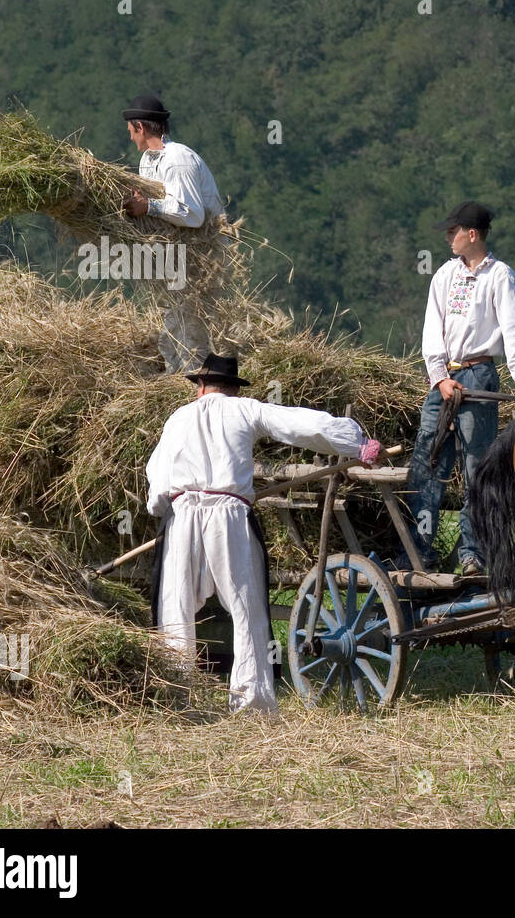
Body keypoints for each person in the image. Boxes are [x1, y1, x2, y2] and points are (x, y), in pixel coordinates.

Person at [146, 352, 382, 714]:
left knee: (175, 608)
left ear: (201, 387)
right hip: (227, 515)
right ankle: (251, 700)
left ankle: (176, 697)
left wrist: (161, 507)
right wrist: (354, 444)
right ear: (232, 387)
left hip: (182, 515)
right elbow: (298, 424)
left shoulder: (177, 418)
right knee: (247, 608)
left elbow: (157, 471)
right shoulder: (245, 409)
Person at [406, 201, 515, 575]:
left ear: (472, 234)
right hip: (443, 379)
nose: (448, 237)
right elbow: (432, 330)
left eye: (453, 231)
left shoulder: (500, 276)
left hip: (479, 375)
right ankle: (420, 550)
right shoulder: (444, 276)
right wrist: (438, 376)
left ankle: (473, 553)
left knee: (477, 466)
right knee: (427, 462)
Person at [120, 93, 226, 373]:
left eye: (131, 131)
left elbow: (192, 215)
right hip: (175, 254)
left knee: (191, 328)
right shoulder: (148, 161)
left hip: (199, 255)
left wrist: (149, 207)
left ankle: (194, 385)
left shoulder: (177, 160)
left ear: (141, 128)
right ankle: (177, 382)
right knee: (170, 328)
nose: (130, 137)